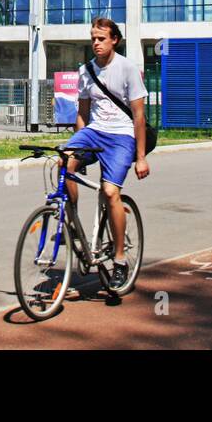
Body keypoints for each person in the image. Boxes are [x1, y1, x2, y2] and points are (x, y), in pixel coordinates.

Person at [62, 16, 150, 292]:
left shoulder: (127, 68)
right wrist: (79, 144)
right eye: (93, 39)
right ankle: (72, 222)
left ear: (115, 40)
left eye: (101, 39)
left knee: (110, 192)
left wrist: (141, 156)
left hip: (122, 136)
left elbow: (138, 115)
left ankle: (120, 260)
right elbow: (83, 113)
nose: (96, 43)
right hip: (95, 131)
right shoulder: (86, 70)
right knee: (64, 160)